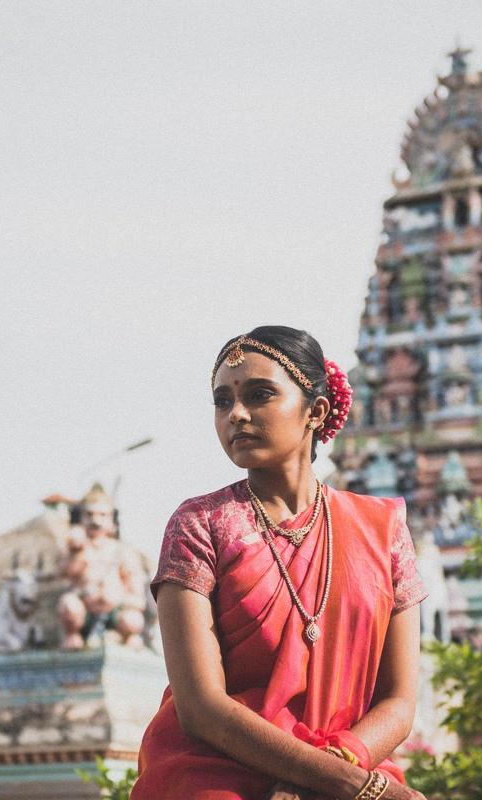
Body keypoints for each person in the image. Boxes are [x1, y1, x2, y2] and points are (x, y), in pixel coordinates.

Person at [132, 326, 429, 800]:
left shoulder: (382, 528)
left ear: (317, 411)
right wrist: (353, 785)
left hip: (352, 764)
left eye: (259, 394)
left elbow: (398, 702)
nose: (237, 414)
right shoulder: (200, 524)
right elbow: (201, 708)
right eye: (222, 401)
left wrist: (322, 777)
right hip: (219, 777)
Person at [56, 483, 148, 649]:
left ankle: (125, 637)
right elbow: (63, 574)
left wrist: (116, 598)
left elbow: (138, 597)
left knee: (132, 620)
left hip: (115, 609)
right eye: (89, 515)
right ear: (80, 518)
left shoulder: (122, 550)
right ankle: (73, 635)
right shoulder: (74, 548)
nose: (95, 521)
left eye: (102, 515)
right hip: (83, 609)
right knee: (68, 606)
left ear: (112, 520)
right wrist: (76, 553)